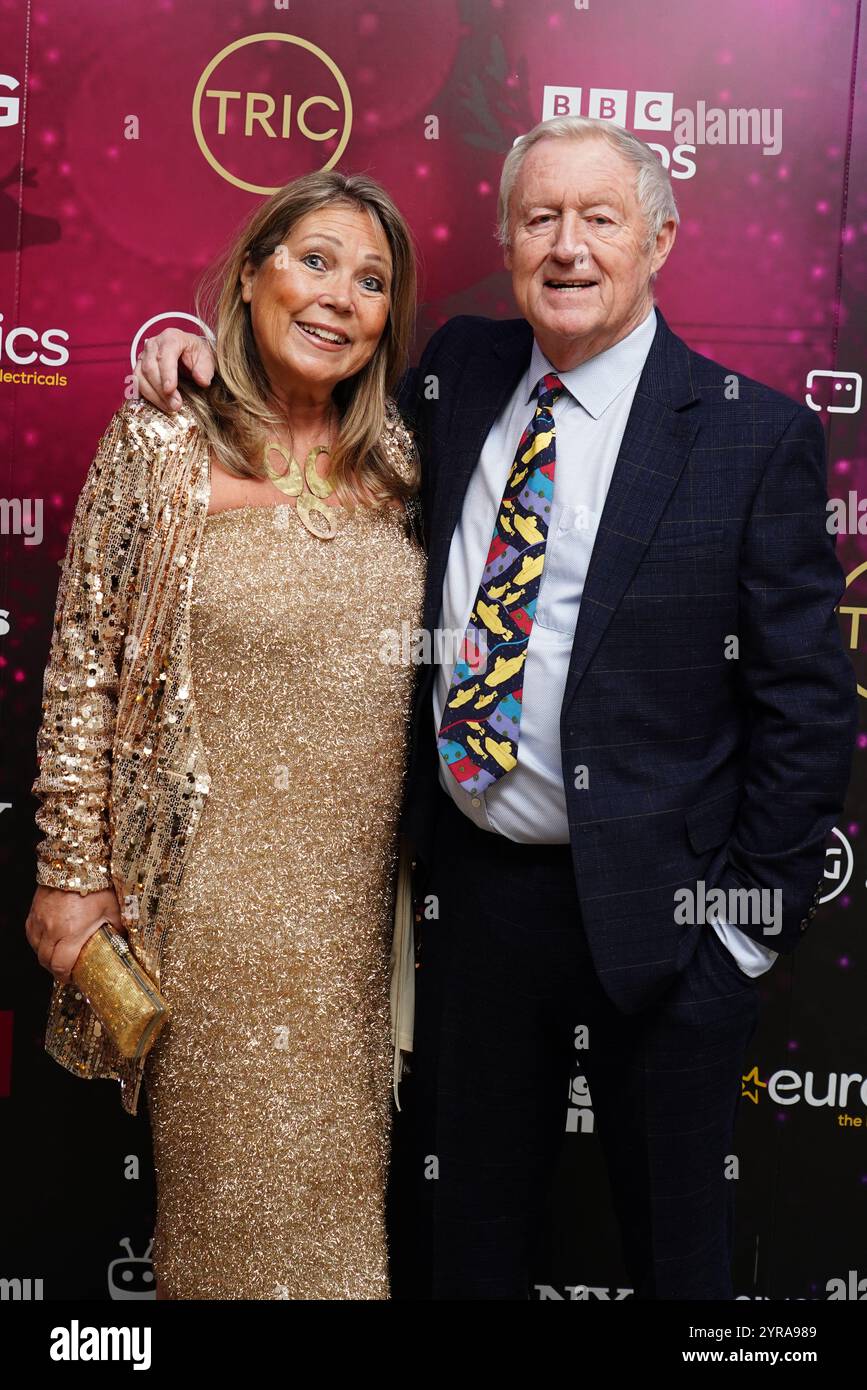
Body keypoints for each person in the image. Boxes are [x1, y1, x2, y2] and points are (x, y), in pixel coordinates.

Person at [135, 115, 859, 1300]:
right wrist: (173, 341)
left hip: (666, 920)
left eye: (600, 219)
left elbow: (808, 710)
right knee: (471, 1247)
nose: (568, 247)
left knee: (680, 1261)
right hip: (478, 907)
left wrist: (737, 934)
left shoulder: (751, 432)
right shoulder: (457, 373)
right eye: (540, 219)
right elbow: (300, 376)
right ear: (509, 240)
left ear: (660, 239)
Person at [25, 170, 426, 1300]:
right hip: (209, 912)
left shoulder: (402, 459)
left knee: (346, 1214)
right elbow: (84, 670)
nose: (341, 296)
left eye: (373, 279)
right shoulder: (158, 447)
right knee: (223, 1216)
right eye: (314, 260)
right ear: (248, 275)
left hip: (354, 923)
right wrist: (71, 874)